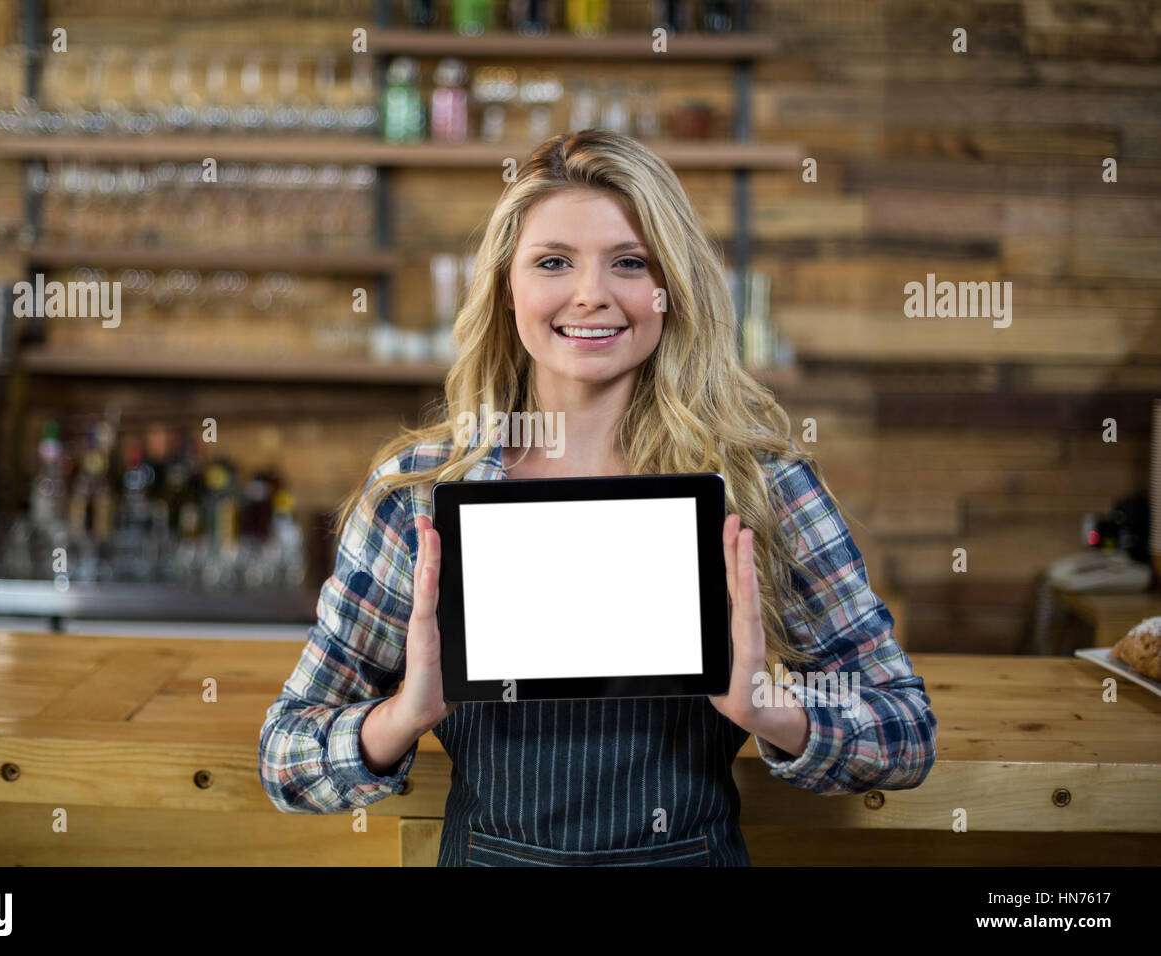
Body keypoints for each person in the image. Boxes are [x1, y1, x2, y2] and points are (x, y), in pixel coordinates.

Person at [259, 129, 937, 866]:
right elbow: (285, 756)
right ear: (505, 287)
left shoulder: (758, 484)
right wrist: (400, 716)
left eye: (629, 263)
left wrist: (770, 711)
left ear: (669, 288)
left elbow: (905, 729)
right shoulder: (419, 497)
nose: (592, 294)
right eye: (554, 262)